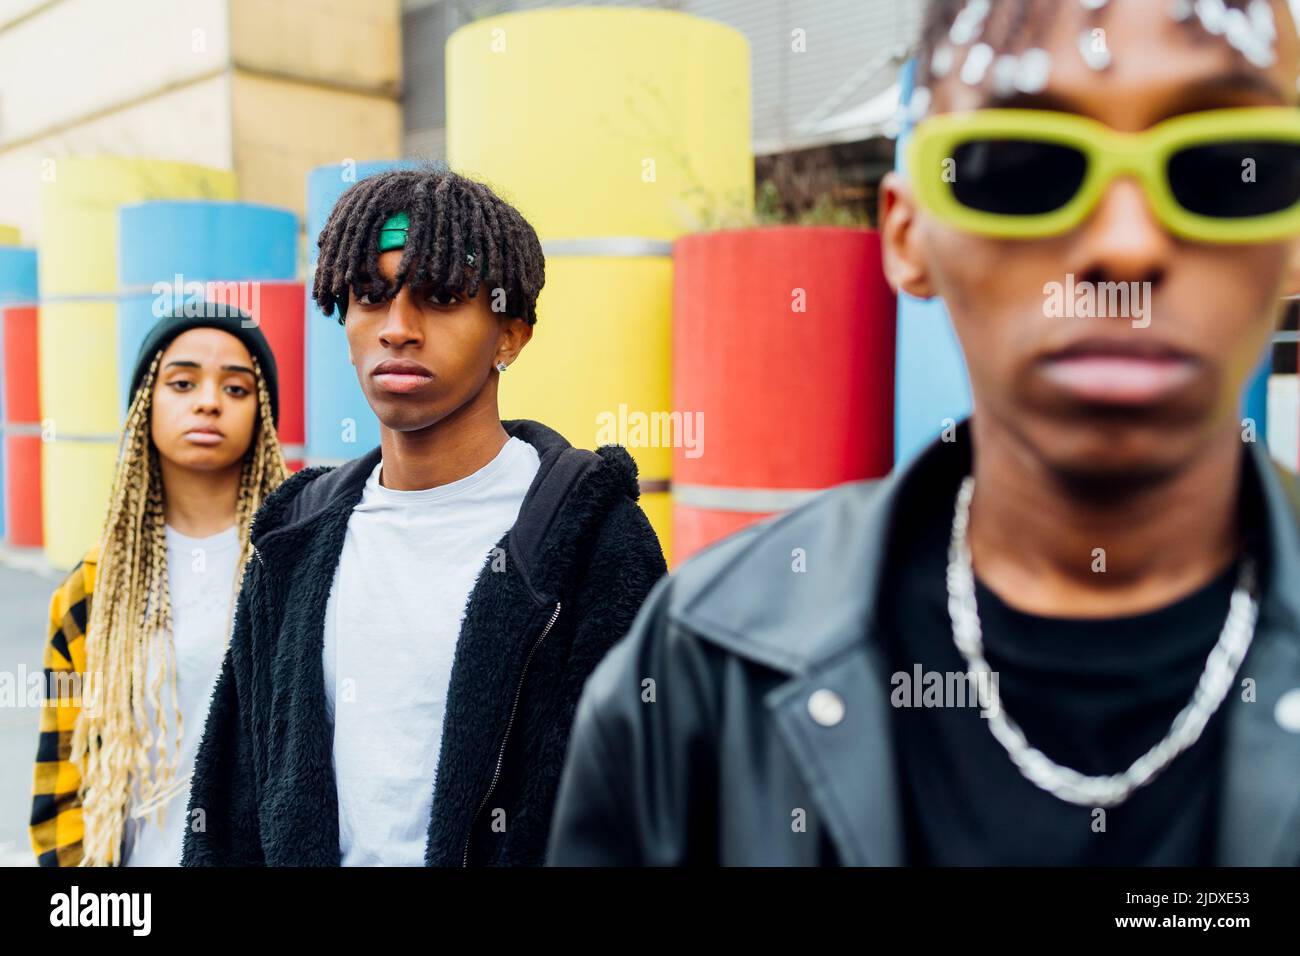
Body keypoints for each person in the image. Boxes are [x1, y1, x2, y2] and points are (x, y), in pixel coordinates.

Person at [548, 0, 1300, 865]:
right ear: (908, 237)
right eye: (1023, 167)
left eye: (1224, 168)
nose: (1126, 248)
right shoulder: (705, 665)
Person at [183, 166, 667, 867]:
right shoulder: (295, 539)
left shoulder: (594, 543)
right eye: (372, 296)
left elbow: (648, 810)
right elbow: (229, 806)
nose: (398, 329)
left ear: (510, 336)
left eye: (441, 298)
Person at [31, 306, 288, 866]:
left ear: (261, 415)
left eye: (237, 388)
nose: (209, 401)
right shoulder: (95, 588)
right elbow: (59, 790)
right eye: (182, 382)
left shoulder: (293, 565)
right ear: (147, 403)